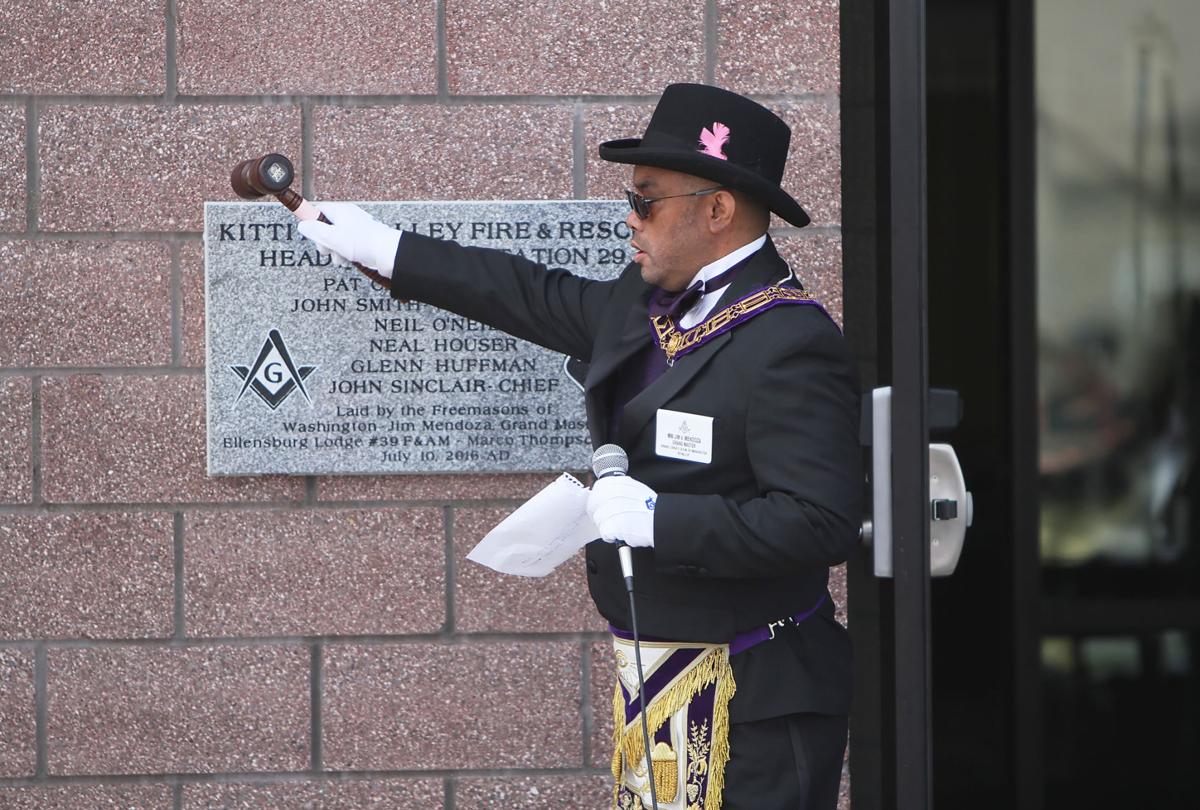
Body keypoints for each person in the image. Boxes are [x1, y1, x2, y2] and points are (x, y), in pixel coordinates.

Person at [299, 83, 862, 810]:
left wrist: (662, 519)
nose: (629, 219)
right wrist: (386, 247)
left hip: (752, 692)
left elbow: (821, 521)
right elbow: (528, 292)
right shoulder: (649, 297)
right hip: (659, 667)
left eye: (647, 201)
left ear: (717, 209)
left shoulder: (791, 340)